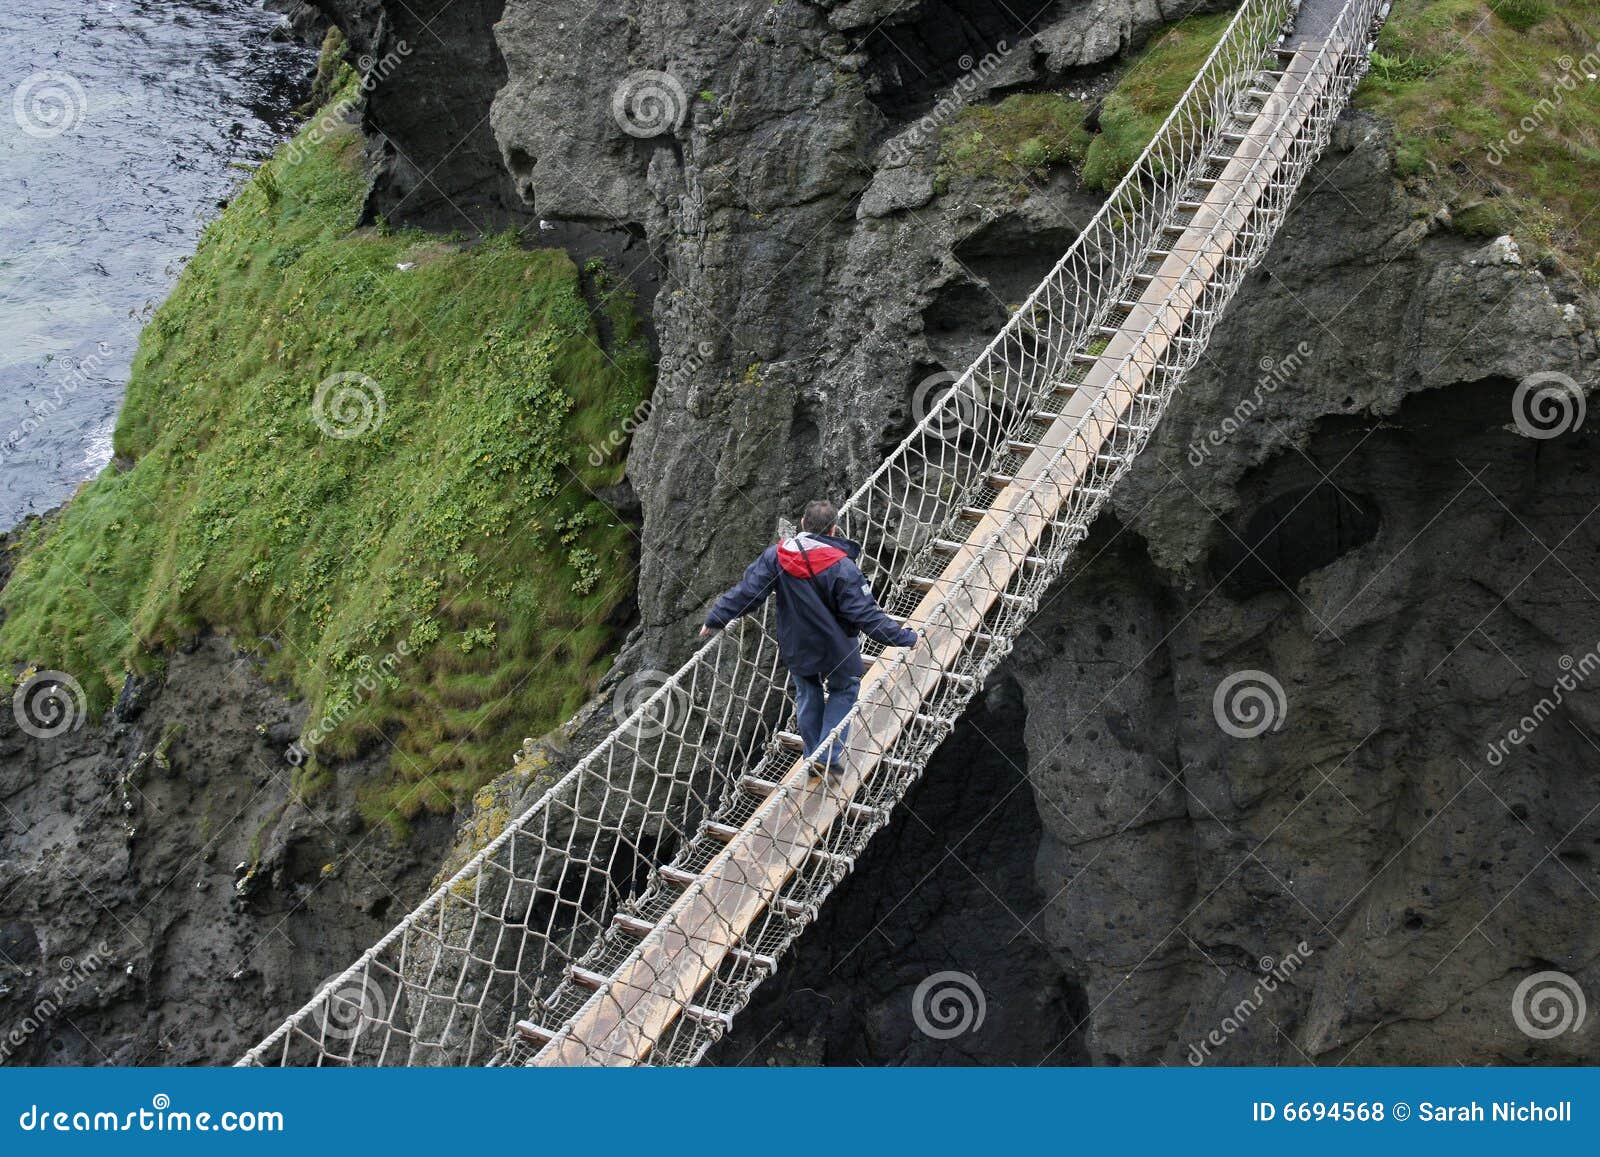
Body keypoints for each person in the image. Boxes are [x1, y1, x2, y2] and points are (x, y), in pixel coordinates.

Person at [700, 500, 919, 778]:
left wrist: (717, 617)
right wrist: (903, 637)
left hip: (797, 643)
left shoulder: (777, 557)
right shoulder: (843, 567)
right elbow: (866, 615)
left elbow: (749, 592)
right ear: (834, 529)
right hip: (836, 645)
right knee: (845, 689)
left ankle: (813, 753)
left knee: (808, 693)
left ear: (803, 523)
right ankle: (825, 754)